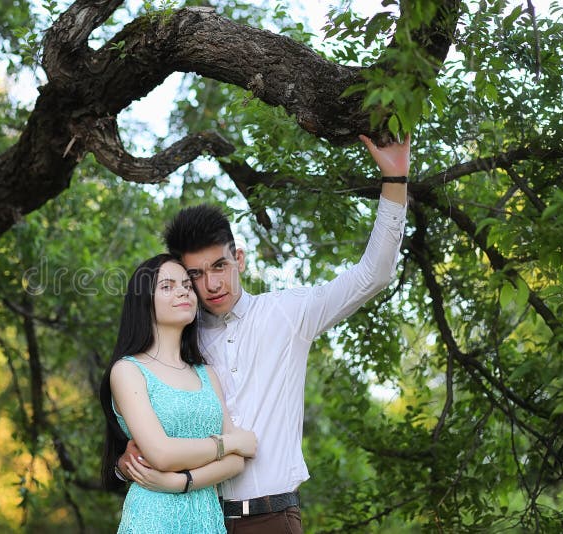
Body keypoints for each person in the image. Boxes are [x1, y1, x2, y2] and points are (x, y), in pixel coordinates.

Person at [118, 134, 411, 532]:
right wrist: (124, 464)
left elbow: (372, 275)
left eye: (219, 266)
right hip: (195, 516)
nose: (211, 285)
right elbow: (146, 421)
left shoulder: (287, 314)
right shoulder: (182, 340)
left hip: (271, 517)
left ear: (238, 258)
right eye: (195, 276)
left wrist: (395, 180)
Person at [100, 253, 258, 533]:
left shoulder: (206, 374)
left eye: (186, 284)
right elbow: (162, 453)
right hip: (154, 519)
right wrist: (227, 443)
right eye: (167, 286)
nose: (183, 291)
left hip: (207, 521)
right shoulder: (128, 371)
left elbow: (236, 463)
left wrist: (180, 482)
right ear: (144, 302)